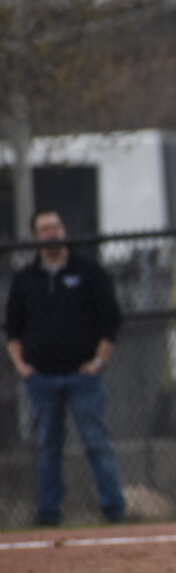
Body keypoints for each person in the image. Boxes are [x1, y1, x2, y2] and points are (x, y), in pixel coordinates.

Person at [5, 209, 126, 526]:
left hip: (82, 377)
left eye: (56, 226)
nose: (52, 233)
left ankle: (114, 510)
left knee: (96, 443)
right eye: (44, 229)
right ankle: (48, 515)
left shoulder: (88, 272)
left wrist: (98, 362)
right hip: (41, 378)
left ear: (64, 229)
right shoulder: (25, 279)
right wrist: (22, 367)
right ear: (35, 237)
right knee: (48, 448)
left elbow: (110, 321)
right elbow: (12, 330)